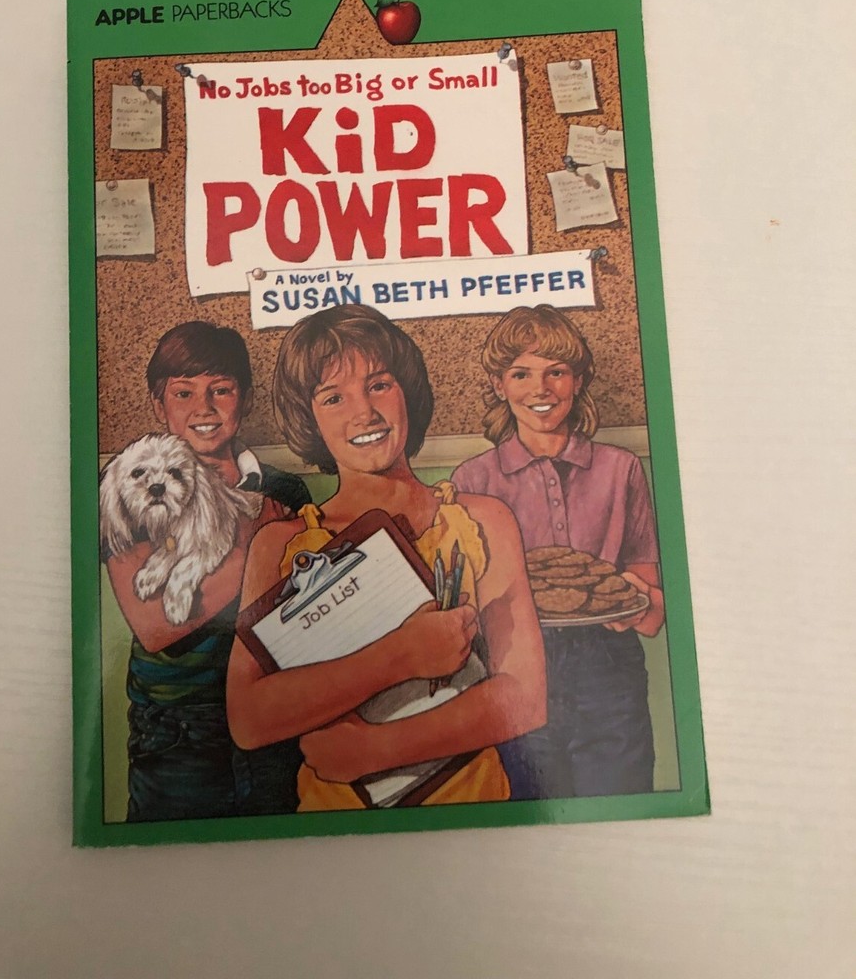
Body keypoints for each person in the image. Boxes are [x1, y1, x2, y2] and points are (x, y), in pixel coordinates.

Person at [226, 305, 546, 811]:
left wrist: (378, 750)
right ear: (308, 418)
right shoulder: (284, 545)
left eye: (378, 385)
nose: (364, 413)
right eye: (333, 397)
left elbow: (524, 697)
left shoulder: (483, 521)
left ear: (406, 391)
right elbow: (248, 718)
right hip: (335, 823)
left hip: (472, 807)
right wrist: (400, 655)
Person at [451, 305, 665, 800]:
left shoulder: (621, 469)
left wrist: (635, 603)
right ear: (498, 385)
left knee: (618, 808)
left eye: (557, 372)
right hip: (512, 671)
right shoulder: (472, 479)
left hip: (608, 673)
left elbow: (653, 606)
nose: (540, 389)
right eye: (521, 374)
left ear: (578, 380)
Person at [103, 321, 310, 822]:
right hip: (178, 728)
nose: (204, 408)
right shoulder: (131, 485)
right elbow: (156, 625)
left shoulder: (285, 491)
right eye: (183, 393)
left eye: (221, 390)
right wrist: (259, 542)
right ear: (159, 405)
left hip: (273, 714)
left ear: (246, 399)